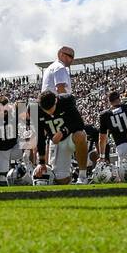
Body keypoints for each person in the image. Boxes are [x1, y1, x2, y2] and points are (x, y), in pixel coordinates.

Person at [41, 46, 91, 179]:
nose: (71, 59)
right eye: (69, 55)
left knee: (80, 134)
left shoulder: (50, 68)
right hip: (59, 113)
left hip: (54, 117)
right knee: (61, 180)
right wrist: (66, 108)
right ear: (60, 54)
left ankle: (82, 175)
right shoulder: (60, 67)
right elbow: (60, 88)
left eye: (73, 57)